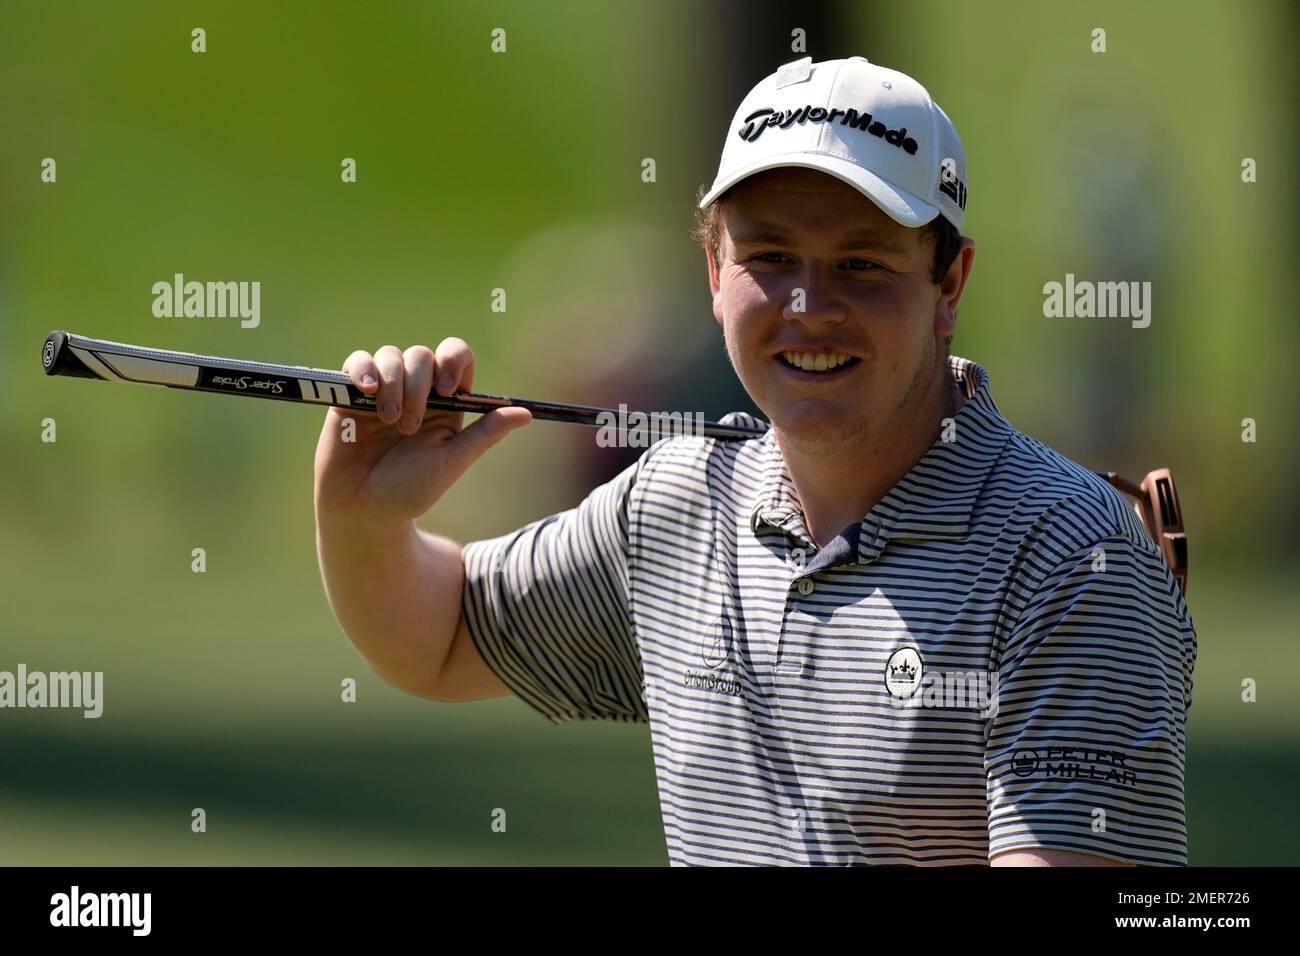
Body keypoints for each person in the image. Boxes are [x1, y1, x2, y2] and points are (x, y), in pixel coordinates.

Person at [313, 56, 1197, 866]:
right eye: (770, 258)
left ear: (949, 284)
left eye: (862, 263)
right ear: (713, 269)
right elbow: (438, 640)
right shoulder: (676, 505)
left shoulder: (1074, 557)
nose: (811, 305)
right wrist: (360, 513)